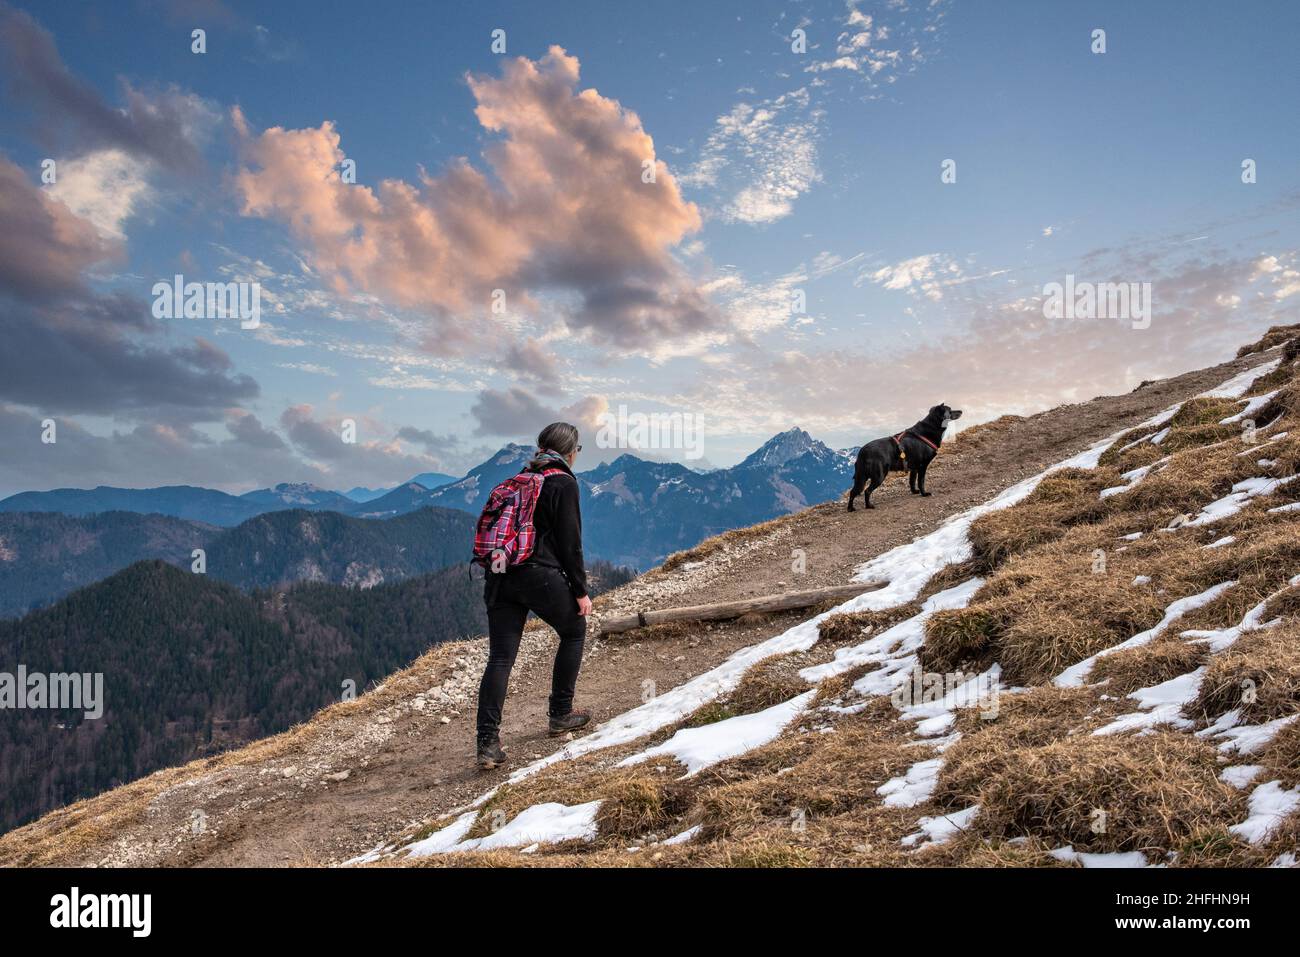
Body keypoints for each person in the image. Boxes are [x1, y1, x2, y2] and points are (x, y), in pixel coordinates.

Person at [475, 422, 592, 769]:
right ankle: (560, 713)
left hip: (499, 575)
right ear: (570, 451)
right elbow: (571, 545)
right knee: (574, 631)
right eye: (578, 450)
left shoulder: (520, 479)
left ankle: (487, 745)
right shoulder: (563, 483)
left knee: (500, 659)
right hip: (537, 575)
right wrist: (580, 592)